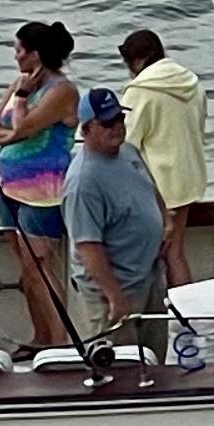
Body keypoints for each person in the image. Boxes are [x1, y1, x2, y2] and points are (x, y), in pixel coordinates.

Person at [0, 20, 82, 355]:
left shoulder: (61, 91)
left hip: (43, 193)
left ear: (35, 54)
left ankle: (60, 342)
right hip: (9, 188)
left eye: (19, 51)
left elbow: (24, 127)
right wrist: (10, 133)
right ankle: (40, 337)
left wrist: (22, 101)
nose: (16, 57)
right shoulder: (18, 83)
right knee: (26, 270)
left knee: (39, 266)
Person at [60, 85, 169, 338]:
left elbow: (152, 194)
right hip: (114, 293)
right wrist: (115, 297)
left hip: (149, 279)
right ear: (86, 130)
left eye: (120, 118)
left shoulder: (129, 152)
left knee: (155, 358)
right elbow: (88, 247)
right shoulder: (83, 183)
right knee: (122, 360)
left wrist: (165, 229)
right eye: (108, 122)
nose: (117, 127)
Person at [116, 28, 212, 291]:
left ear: (138, 60)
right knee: (175, 252)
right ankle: (184, 312)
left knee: (153, 256)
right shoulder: (191, 83)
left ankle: (157, 312)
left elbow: (126, 143)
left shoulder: (140, 90)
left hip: (156, 186)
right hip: (188, 180)